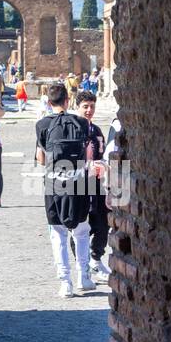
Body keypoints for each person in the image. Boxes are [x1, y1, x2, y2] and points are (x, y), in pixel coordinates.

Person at [35, 82, 96, 297]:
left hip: (54, 181)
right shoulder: (81, 122)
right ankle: (84, 276)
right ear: (68, 101)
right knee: (81, 231)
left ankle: (65, 282)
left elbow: (41, 158)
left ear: (49, 102)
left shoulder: (42, 125)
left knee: (58, 234)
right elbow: (87, 154)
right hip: (78, 180)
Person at [76, 89, 109, 279]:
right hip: (78, 183)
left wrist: (102, 165)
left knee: (102, 222)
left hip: (96, 182)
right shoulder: (73, 130)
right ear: (77, 107)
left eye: (92, 107)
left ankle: (96, 260)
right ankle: (83, 262)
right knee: (79, 223)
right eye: (85, 107)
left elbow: (101, 155)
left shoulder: (96, 131)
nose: (89, 110)